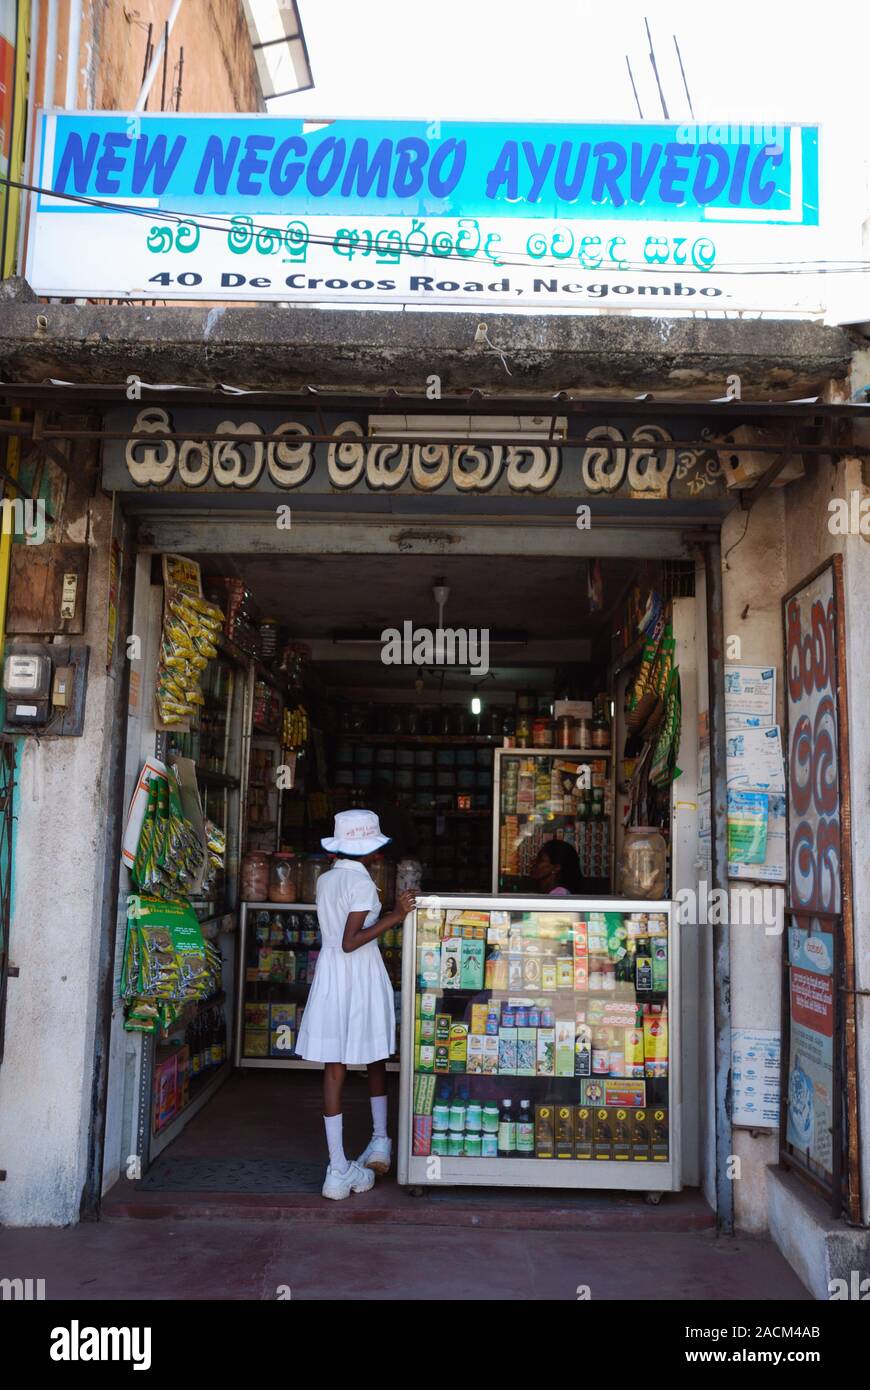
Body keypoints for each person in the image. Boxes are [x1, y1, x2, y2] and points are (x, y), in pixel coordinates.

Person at [295, 808, 415, 1201]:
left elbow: (337, 940)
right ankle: (379, 1140)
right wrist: (396, 915)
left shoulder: (327, 878)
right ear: (372, 850)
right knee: (375, 1055)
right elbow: (352, 940)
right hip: (359, 974)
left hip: (331, 975)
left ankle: (338, 1166)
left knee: (336, 1065)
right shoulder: (362, 882)